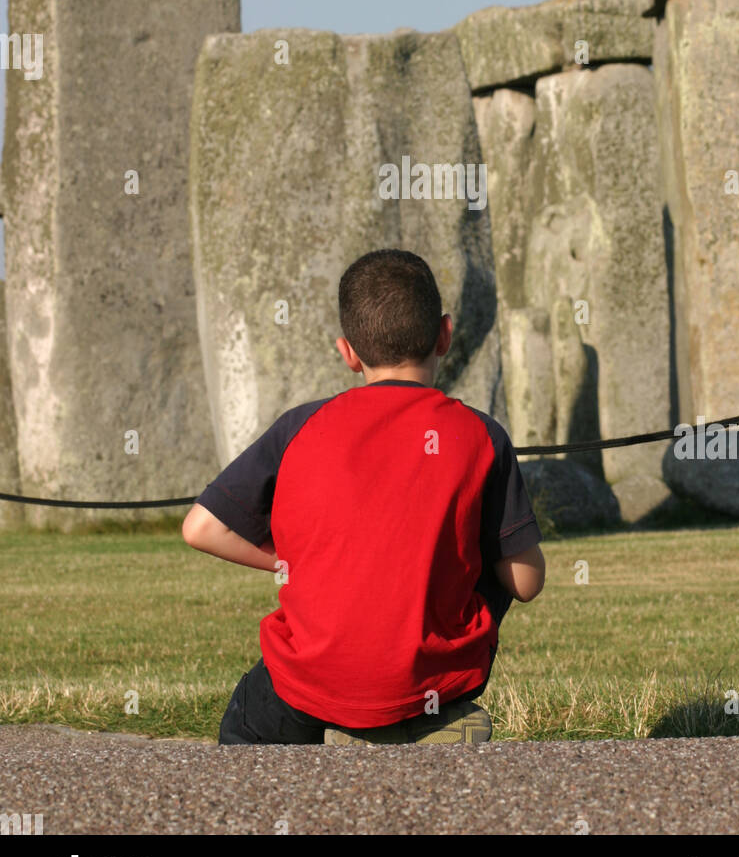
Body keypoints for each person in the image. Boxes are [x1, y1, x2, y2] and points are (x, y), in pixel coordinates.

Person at [182, 248, 545, 745]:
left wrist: (293, 562)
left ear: (347, 352)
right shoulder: (481, 435)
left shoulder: (300, 426)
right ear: (445, 334)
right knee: (487, 551)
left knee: (247, 727)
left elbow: (201, 528)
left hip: (304, 687)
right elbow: (525, 581)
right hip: (430, 680)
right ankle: (417, 722)